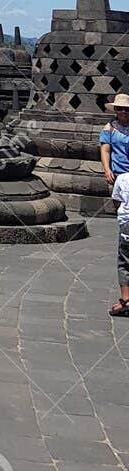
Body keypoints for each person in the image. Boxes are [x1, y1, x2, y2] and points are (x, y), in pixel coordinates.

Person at [102, 94, 129, 318]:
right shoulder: (110, 128)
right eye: (120, 109)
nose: (123, 112)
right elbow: (105, 150)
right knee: (121, 213)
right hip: (118, 175)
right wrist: (106, 169)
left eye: (126, 110)